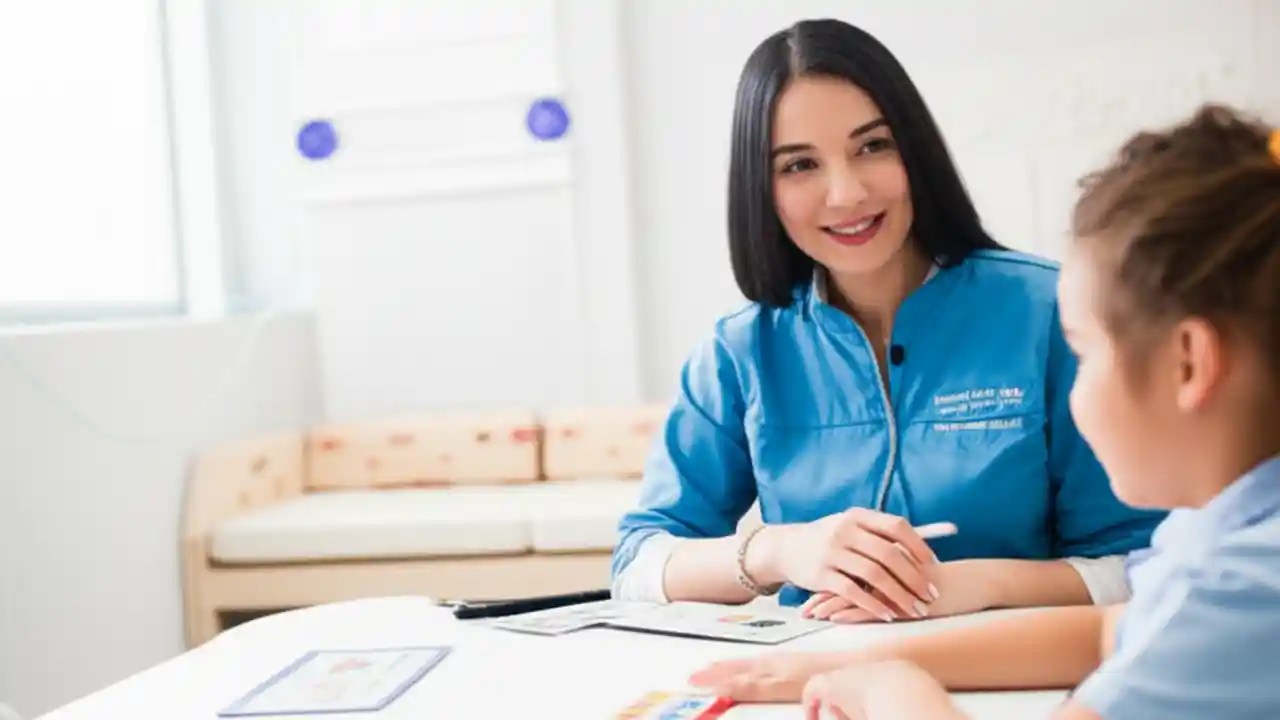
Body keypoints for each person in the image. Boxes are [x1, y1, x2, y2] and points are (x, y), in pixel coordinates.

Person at [690, 104, 1280, 720]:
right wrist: (842, 662)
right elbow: (1111, 633)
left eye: (1083, 351)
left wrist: (893, 693)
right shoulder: (1223, 541)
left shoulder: (1236, 590)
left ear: (1187, 364)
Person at [612, 17, 1160, 622]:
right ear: (761, 188)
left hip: (1016, 669)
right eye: (799, 165)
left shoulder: (1053, 313)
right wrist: (776, 550)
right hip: (812, 669)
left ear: (914, 152)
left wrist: (979, 585)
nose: (846, 194)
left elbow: (1144, 564)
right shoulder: (741, 349)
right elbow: (637, 567)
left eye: (872, 147)